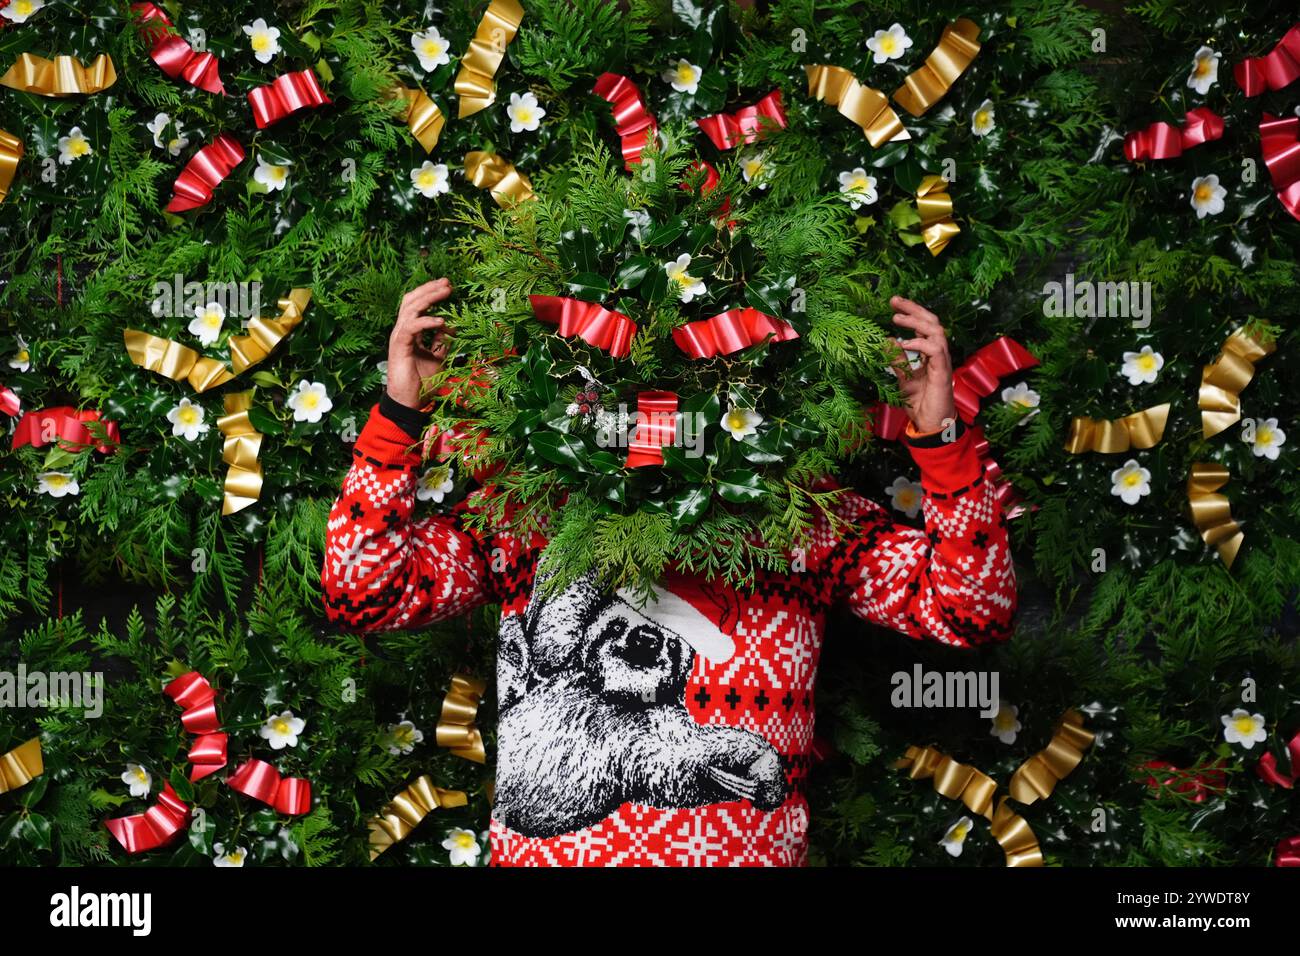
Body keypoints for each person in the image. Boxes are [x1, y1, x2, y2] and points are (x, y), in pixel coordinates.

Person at [322, 278, 1017, 866]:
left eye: (703, 366)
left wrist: (942, 440)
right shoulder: (530, 513)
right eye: (636, 370)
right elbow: (362, 593)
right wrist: (399, 416)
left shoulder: (802, 518)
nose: (666, 403)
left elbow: (972, 610)